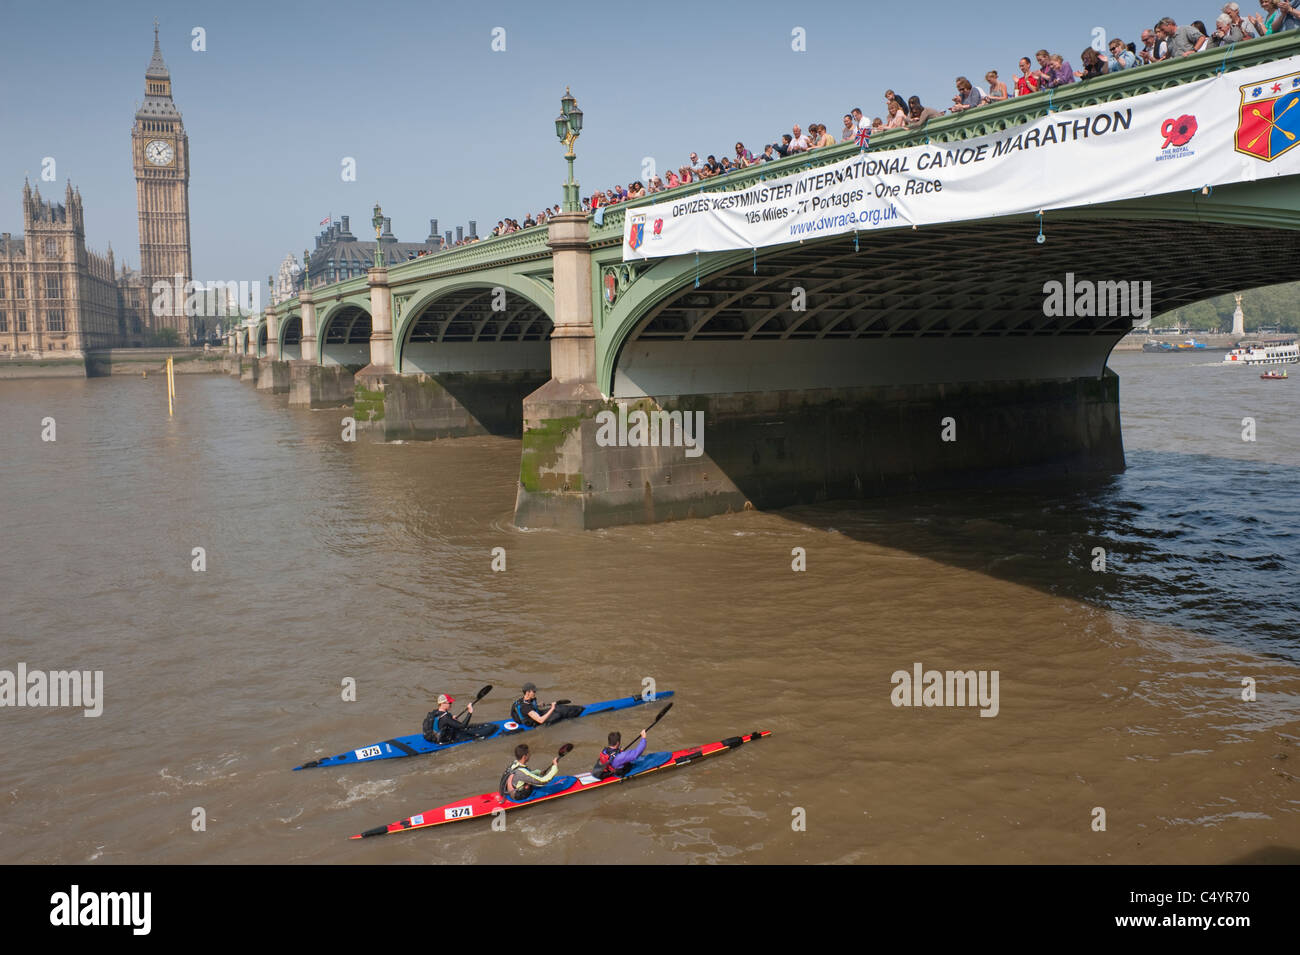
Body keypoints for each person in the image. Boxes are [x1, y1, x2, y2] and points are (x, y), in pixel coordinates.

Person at [422, 693, 494, 744]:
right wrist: (470, 712)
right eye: (449, 703)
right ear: (443, 703)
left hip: (432, 736)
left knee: (469, 727)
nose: (451, 705)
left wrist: (451, 719)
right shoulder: (446, 717)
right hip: (443, 740)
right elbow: (463, 726)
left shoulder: (435, 712)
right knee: (476, 734)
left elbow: (440, 721)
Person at [511, 683, 583, 727]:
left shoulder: (523, 700)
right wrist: (552, 708)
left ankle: (576, 709)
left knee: (559, 708)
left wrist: (538, 705)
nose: (535, 692)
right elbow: (540, 720)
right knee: (558, 714)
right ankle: (577, 712)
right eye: (534, 691)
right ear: (527, 692)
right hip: (533, 722)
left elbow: (530, 708)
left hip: (534, 714)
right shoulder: (525, 707)